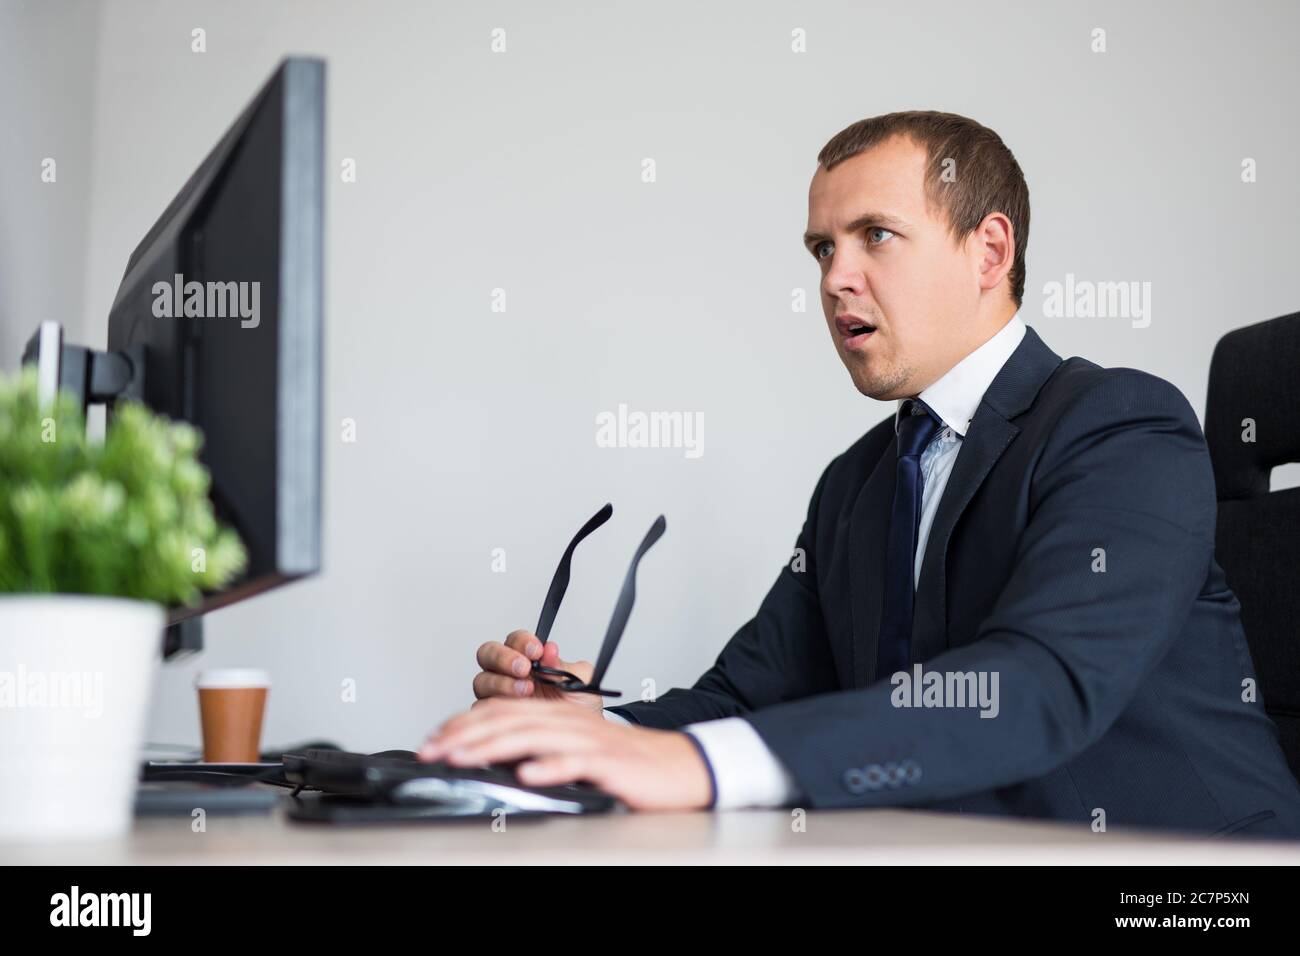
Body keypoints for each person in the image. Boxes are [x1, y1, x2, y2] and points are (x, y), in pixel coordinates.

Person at [420, 111, 1300, 836]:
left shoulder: (1121, 426)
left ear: (990, 252)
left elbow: (1037, 685)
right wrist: (590, 727)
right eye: (821, 249)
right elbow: (748, 696)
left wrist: (693, 766)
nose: (837, 278)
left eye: (875, 235)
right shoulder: (857, 482)